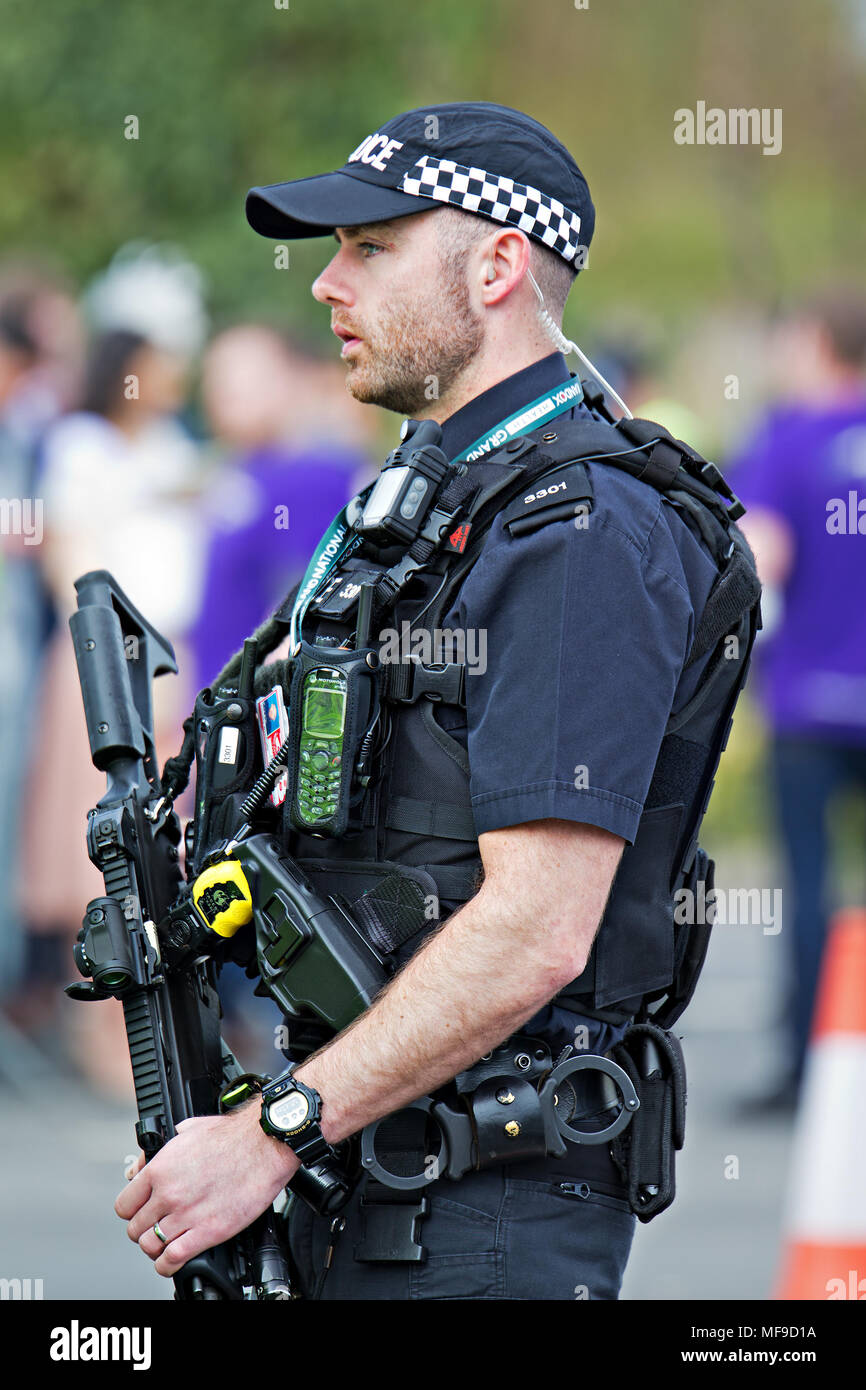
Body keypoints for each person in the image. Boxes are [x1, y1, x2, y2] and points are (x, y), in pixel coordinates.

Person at [115, 101, 759, 1300]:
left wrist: (270, 1135)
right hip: (369, 1163)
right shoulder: (429, 502)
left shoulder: (582, 532)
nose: (325, 285)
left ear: (499, 264)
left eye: (370, 248)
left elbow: (535, 928)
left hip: (482, 1208)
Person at [730, 287, 866, 1108]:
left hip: (814, 703)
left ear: (815, 341)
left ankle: (810, 1065)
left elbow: (761, 562)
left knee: (809, 881)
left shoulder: (787, 438)